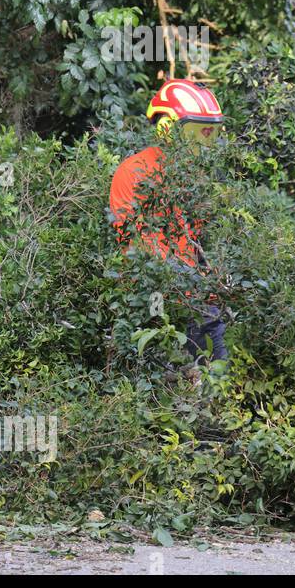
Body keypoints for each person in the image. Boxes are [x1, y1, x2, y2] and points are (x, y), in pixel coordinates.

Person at [109, 78, 228, 372]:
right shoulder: (133, 171)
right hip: (154, 303)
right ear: (168, 127)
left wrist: (215, 288)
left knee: (220, 381)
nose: (203, 142)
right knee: (168, 387)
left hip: (201, 304)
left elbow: (199, 243)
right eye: (196, 132)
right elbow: (135, 241)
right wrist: (183, 282)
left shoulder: (196, 178)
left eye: (208, 134)